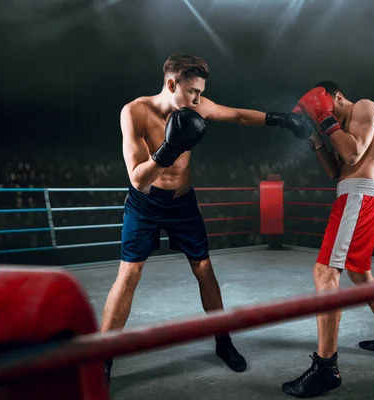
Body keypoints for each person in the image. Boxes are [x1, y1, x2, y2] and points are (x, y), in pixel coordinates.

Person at [101, 53, 313, 383]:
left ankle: (223, 341)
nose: (199, 100)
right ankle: (104, 356)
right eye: (193, 92)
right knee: (128, 275)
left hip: (183, 204)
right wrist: (168, 149)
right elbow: (138, 179)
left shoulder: (196, 108)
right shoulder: (135, 112)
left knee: (204, 269)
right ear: (171, 84)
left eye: (201, 92)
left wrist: (281, 119)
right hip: (144, 204)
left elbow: (239, 116)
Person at [281, 82, 374, 398]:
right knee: (360, 274)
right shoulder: (340, 125)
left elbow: (352, 154)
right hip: (352, 195)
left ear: (336, 97)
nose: (325, 116)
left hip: (358, 197)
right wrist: (316, 140)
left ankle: (326, 369)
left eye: (325, 107)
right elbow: (335, 170)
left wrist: (326, 121)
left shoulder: (364, 105)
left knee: (325, 273)